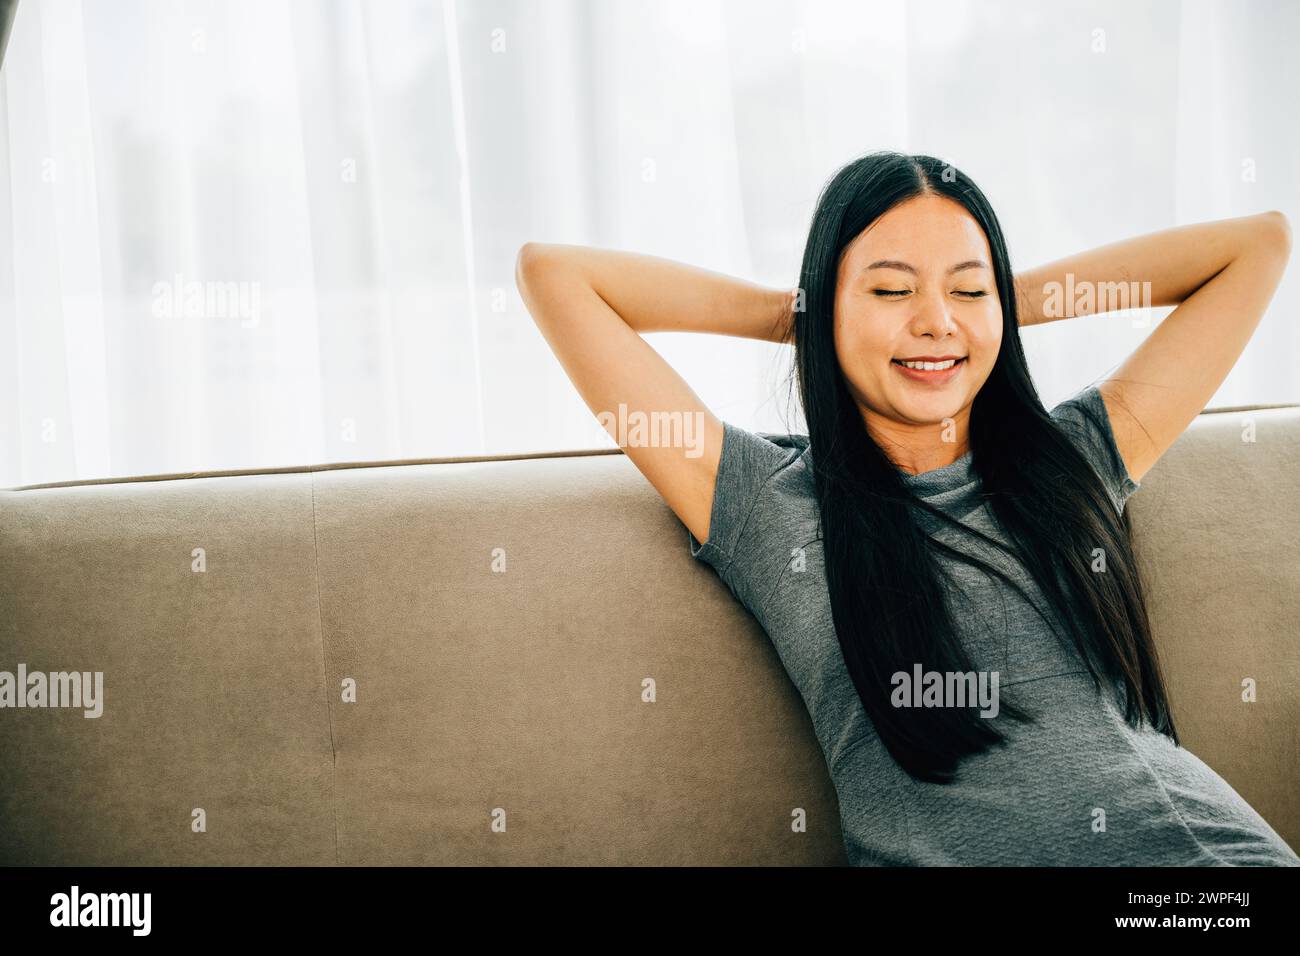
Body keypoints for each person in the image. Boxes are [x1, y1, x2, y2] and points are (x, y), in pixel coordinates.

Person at [514, 150, 1298, 866]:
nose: (935, 320)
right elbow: (553, 274)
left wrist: (985, 301)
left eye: (966, 287)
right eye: (890, 290)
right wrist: (806, 314)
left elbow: (1257, 246)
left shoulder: (1073, 459)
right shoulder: (767, 503)